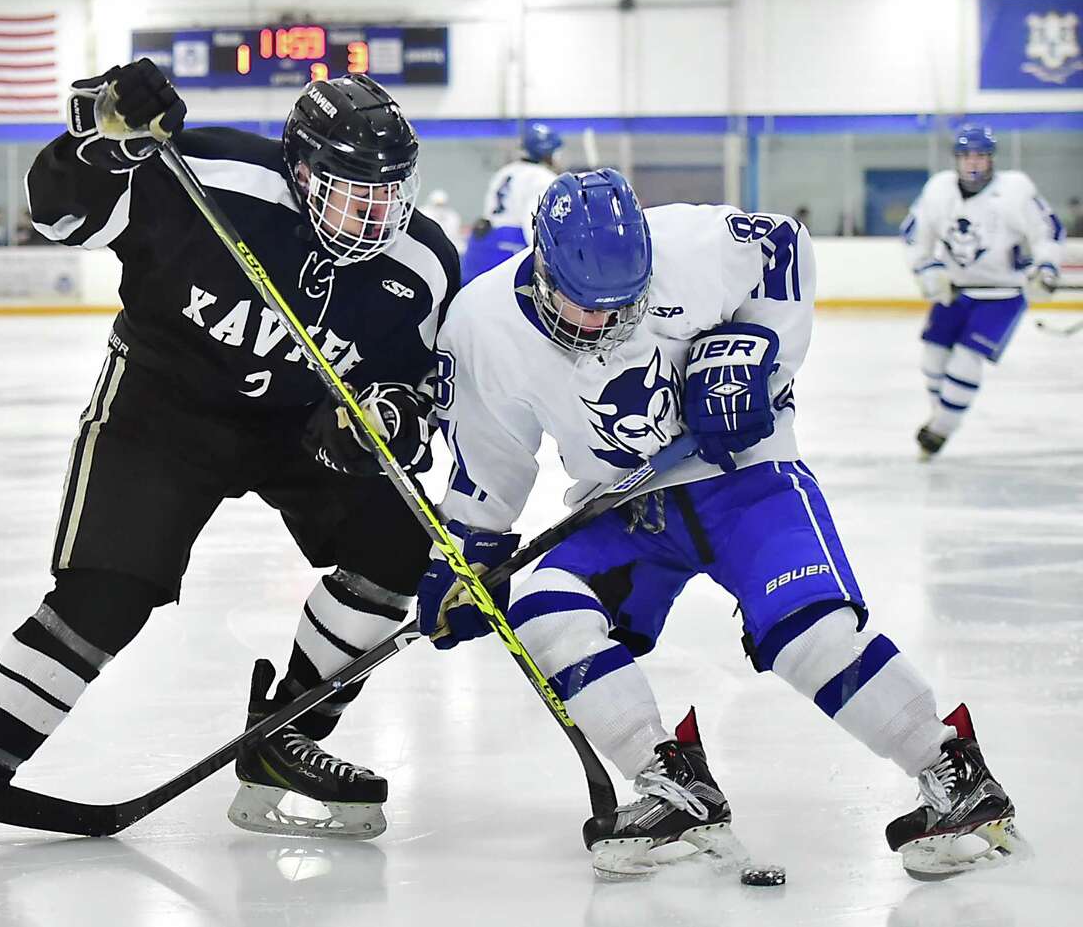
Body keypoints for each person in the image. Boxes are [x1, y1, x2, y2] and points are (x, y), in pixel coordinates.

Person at [0, 62, 459, 864]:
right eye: (349, 188)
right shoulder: (205, 174)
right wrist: (103, 145)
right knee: (104, 596)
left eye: (388, 191)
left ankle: (286, 736)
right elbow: (58, 217)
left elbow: (417, 390)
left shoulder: (421, 264)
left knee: (398, 541)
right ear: (299, 170)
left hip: (297, 422)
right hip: (165, 406)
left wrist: (382, 423)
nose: (373, 214)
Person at [416, 169, 1026, 879]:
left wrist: (757, 359)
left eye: (625, 305)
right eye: (583, 308)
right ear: (539, 268)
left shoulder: (690, 245)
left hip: (745, 476)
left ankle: (951, 768)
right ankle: (672, 781)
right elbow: (491, 458)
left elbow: (785, 247)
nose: (606, 325)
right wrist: (466, 550)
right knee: (543, 604)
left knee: (810, 632)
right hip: (627, 505)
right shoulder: (484, 324)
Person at [901, 124, 1063, 458]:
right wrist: (927, 269)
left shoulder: (1015, 190)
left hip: (1001, 295)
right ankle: (940, 416)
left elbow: (1047, 230)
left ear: (991, 159)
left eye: (981, 156)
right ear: (956, 159)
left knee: (965, 360)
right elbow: (914, 235)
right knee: (933, 358)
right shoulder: (938, 190)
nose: (973, 163)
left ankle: (940, 431)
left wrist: (1046, 267)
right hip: (956, 292)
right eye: (966, 156)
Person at [459, 122, 561, 285]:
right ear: (549, 152)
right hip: (513, 244)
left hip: (483, 240)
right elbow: (533, 222)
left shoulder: (505, 171)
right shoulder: (544, 177)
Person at [418, 188, 464, 253]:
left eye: (442, 205)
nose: (440, 208)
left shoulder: (453, 216)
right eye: (438, 205)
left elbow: (455, 236)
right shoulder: (422, 213)